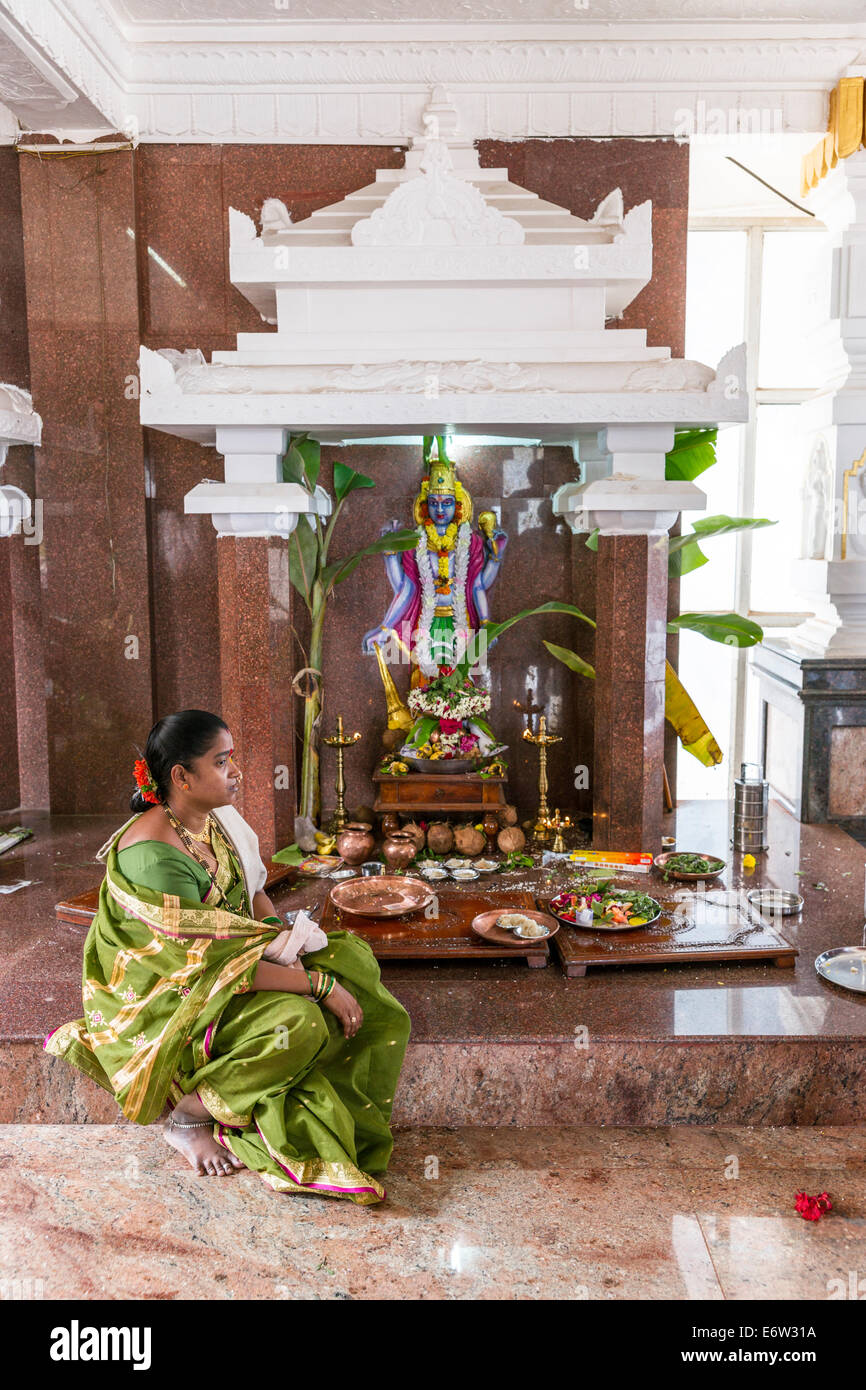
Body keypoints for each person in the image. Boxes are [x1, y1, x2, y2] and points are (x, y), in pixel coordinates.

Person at [45, 710, 410, 1205]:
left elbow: (252, 893)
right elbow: (204, 968)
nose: (236, 771)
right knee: (300, 1021)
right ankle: (190, 1116)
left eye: (232, 758)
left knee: (351, 959)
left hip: (225, 969)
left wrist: (284, 943)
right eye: (222, 761)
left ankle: (260, 1088)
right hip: (171, 1002)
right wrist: (313, 985)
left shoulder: (212, 817)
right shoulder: (153, 855)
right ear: (181, 776)